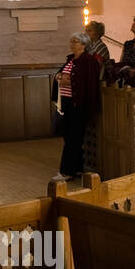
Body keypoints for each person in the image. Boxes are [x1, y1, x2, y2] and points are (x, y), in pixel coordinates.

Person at [54, 33, 101, 181]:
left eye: (76, 42)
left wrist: (70, 81)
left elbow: (89, 82)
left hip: (79, 104)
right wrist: (60, 77)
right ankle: (78, 168)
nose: (72, 44)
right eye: (71, 41)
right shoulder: (71, 59)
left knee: (73, 137)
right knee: (70, 136)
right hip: (67, 102)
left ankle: (66, 171)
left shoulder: (88, 60)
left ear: (84, 45)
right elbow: (59, 74)